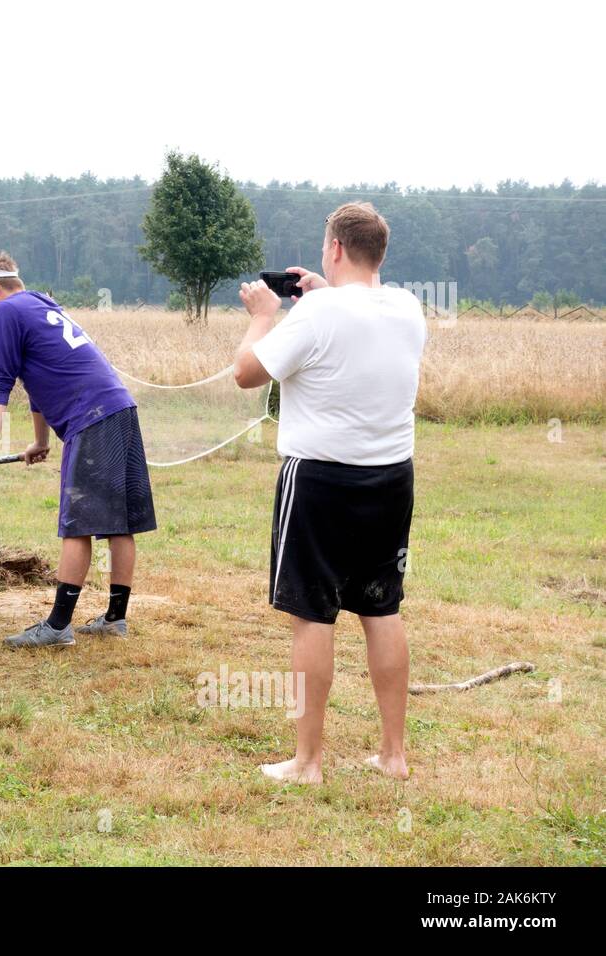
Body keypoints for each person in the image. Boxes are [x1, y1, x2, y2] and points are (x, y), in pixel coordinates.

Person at [232, 201, 426, 784]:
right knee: (381, 607)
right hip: (391, 477)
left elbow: (246, 373)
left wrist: (263, 316)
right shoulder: (408, 307)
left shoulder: (312, 317)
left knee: (311, 615)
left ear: (335, 248)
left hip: (318, 479)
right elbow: (363, 310)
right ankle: (393, 756)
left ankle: (307, 762)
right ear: (379, 254)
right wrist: (322, 293)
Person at [0, 252, 157, 648]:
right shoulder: (39, 301)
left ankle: (56, 626)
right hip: (119, 407)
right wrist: (41, 440)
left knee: (79, 522)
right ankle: (115, 619)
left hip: (92, 415)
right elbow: (35, 381)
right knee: (120, 523)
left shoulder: (7, 312)